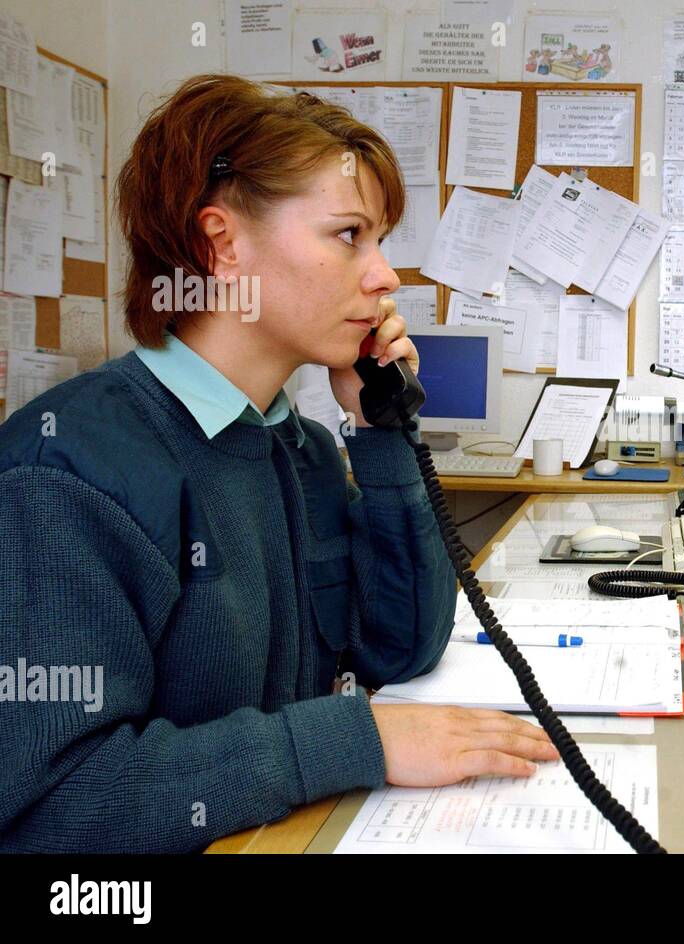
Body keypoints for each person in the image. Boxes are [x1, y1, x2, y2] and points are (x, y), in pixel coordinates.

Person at [0, 74, 558, 853]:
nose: (385, 275)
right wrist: (354, 740)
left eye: (381, 240)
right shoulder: (65, 474)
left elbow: (402, 648)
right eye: (348, 235)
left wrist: (383, 433)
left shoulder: (305, 452)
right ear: (221, 245)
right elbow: (51, 808)